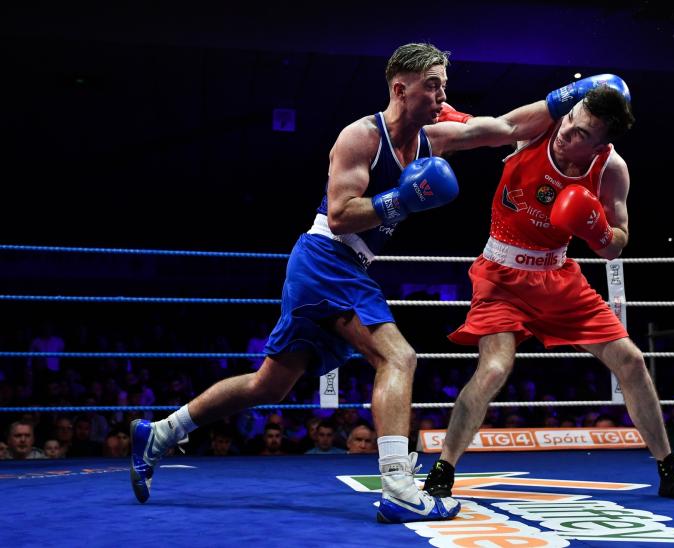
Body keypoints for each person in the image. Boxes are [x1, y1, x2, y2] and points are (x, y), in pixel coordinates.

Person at [129, 42, 594, 523]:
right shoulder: (360, 137)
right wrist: (403, 199)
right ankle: (397, 486)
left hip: (342, 266)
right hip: (326, 257)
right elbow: (340, 214)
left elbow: (506, 128)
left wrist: (573, 94)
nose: (441, 96)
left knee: (270, 385)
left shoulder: (433, 138)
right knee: (398, 356)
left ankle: (160, 432)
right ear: (400, 88)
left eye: (444, 86)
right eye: (432, 85)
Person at [422, 76, 674, 503]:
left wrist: (596, 229)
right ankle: (443, 469)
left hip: (559, 278)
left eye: (581, 133)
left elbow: (618, 243)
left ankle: (670, 471)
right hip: (500, 274)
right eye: (571, 120)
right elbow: (489, 129)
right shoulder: (541, 126)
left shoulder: (610, 168)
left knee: (631, 360)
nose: (566, 133)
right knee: (494, 369)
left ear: (599, 146)